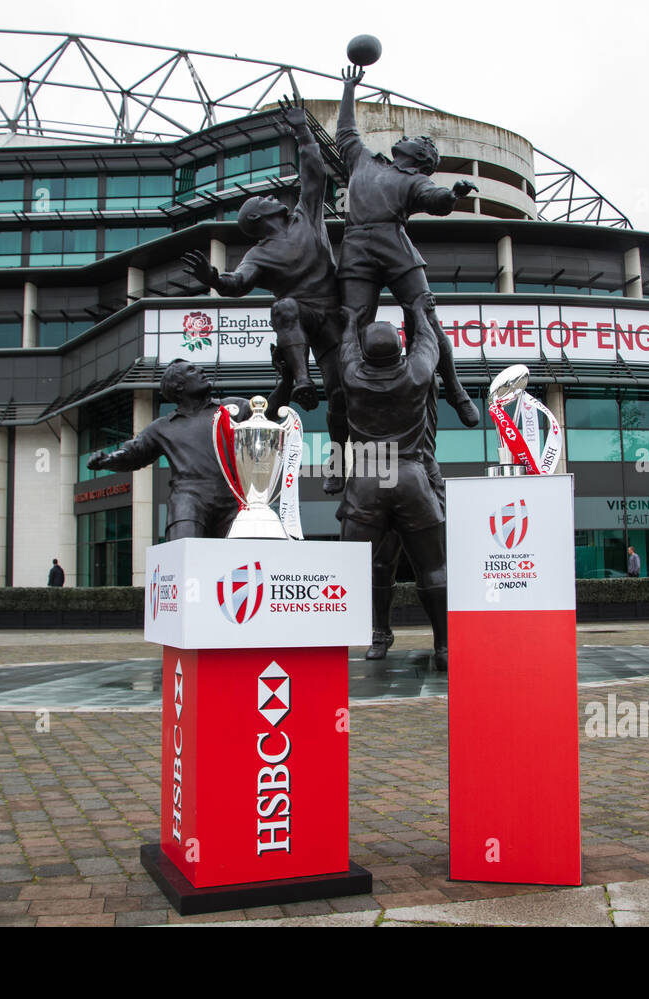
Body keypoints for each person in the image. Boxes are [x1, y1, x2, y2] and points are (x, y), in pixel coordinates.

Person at [181, 98, 349, 493]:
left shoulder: (307, 216)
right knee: (284, 306)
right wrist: (214, 278)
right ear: (258, 218)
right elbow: (238, 284)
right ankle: (304, 381)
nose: (276, 198)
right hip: (306, 319)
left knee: (341, 396)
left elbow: (314, 174)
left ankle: (340, 460)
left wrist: (302, 130)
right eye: (267, 201)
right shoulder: (258, 254)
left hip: (338, 317)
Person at [336, 64, 480, 430]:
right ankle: (351, 404)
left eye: (423, 142)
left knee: (426, 316)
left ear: (419, 158)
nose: (415, 138)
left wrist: (453, 195)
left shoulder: (415, 181)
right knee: (350, 326)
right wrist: (349, 89)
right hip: (356, 248)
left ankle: (454, 387)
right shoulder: (364, 161)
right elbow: (345, 132)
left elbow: (437, 201)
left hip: (394, 245)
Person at [336, 297, 449, 670]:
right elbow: (429, 342)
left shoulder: (352, 376)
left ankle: (336, 638)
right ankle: (444, 645)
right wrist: (415, 309)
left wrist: (352, 316)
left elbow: (346, 345)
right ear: (401, 348)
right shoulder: (416, 373)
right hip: (409, 474)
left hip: (369, 477)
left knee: (350, 568)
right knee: (432, 566)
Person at [86, 360, 251, 540]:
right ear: (178, 387)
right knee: (186, 553)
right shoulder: (162, 428)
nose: (202, 370)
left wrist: (286, 377)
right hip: (189, 499)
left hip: (232, 498)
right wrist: (108, 459)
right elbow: (133, 452)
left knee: (238, 559)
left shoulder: (231, 408)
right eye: (192, 370)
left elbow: (269, 411)